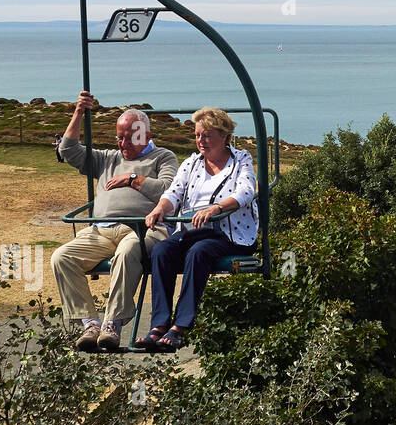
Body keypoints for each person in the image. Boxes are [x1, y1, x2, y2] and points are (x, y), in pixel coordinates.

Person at [51, 92, 178, 352]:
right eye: (119, 137)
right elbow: (68, 150)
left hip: (142, 229)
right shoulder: (108, 158)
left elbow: (168, 190)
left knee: (128, 251)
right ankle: (90, 323)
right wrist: (78, 113)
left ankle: (112, 324)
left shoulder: (163, 158)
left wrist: (133, 178)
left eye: (129, 138)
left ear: (147, 136)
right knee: (62, 257)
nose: (122, 144)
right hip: (101, 230)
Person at [135, 108, 258, 352]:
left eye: (207, 135)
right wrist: (161, 208)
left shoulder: (241, 160)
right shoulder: (191, 163)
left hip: (229, 233)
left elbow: (245, 191)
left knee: (199, 253)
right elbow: (174, 192)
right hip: (194, 230)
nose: (201, 141)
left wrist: (215, 208)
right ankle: (159, 324)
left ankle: (180, 326)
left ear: (224, 136)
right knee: (161, 250)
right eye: (198, 135)